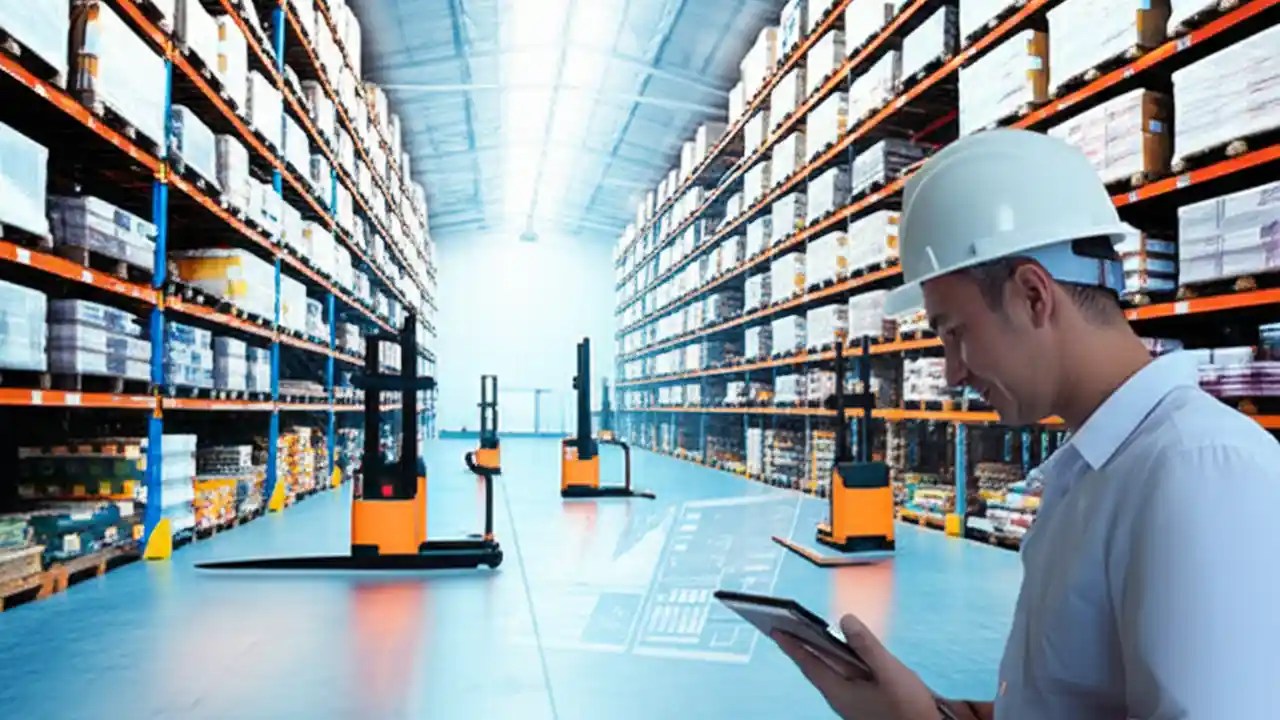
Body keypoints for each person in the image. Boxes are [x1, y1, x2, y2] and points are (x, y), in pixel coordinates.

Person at [771, 128, 1280, 719]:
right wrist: (941, 712)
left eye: (954, 333)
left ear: (1034, 295)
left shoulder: (1198, 470)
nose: (953, 372)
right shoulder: (1096, 471)